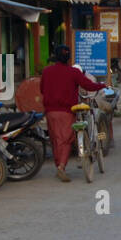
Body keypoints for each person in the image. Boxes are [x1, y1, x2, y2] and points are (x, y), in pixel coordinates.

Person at [41, 45, 106, 182]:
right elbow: (88, 86)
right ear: (68, 58)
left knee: (55, 139)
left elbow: (42, 89)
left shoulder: (47, 72)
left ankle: (58, 164)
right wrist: (102, 85)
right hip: (66, 111)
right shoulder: (73, 72)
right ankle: (61, 167)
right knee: (66, 140)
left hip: (50, 111)